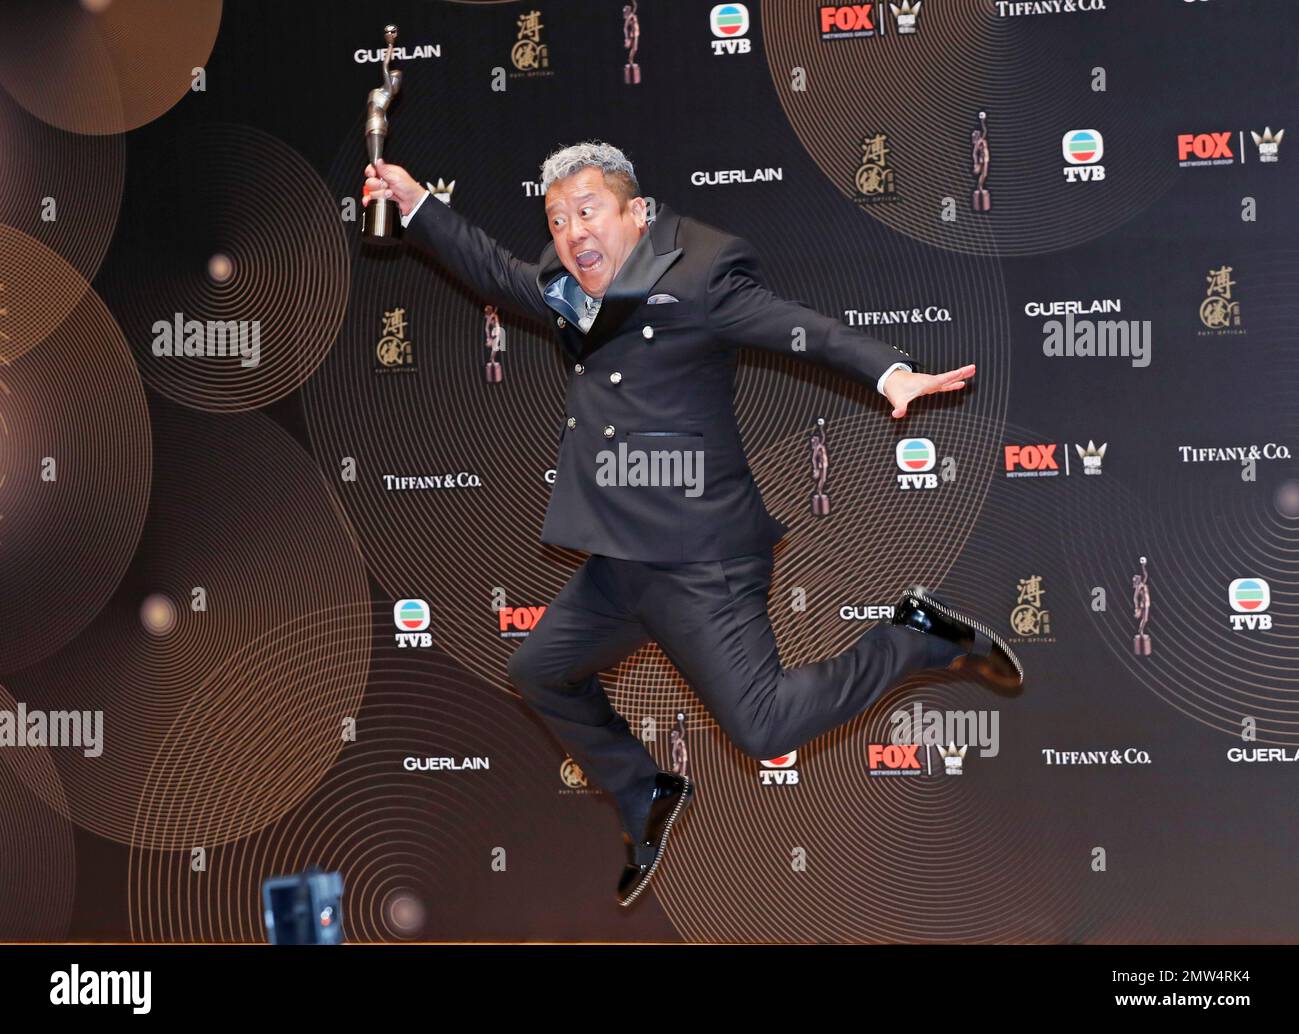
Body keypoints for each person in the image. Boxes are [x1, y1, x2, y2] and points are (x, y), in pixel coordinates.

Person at [362, 140, 1023, 907]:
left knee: (767, 728)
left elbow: (793, 327)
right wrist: (414, 203)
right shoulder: (566, 286)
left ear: (634, 213)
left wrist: (889, 370)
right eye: (557, 218)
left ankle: (917, 637)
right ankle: (645, 793)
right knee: (539, 670)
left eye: (588, 211)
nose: (574, 232)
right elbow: (494, 271)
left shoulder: (701, 274)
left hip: (702, 559)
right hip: (622, 563)